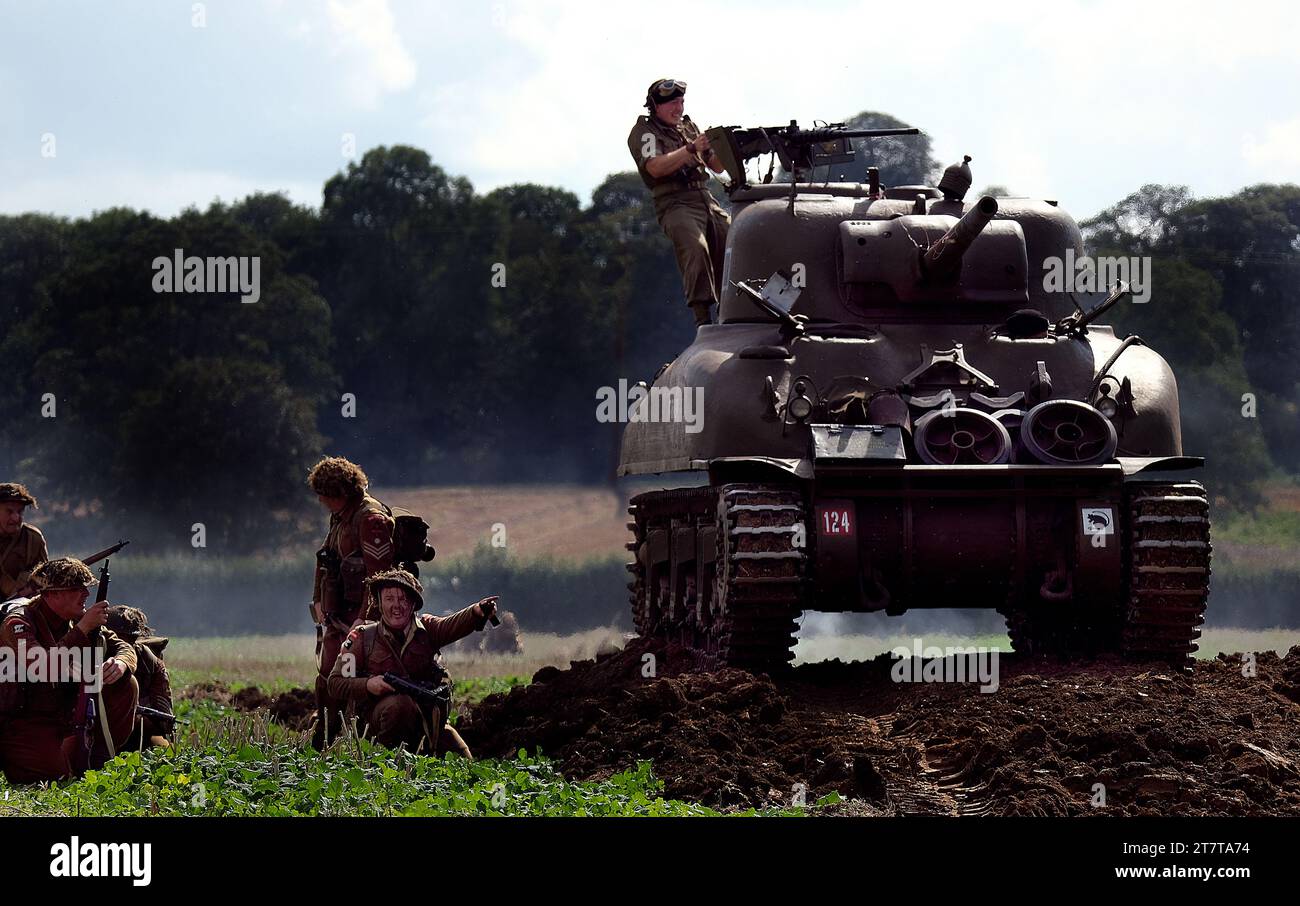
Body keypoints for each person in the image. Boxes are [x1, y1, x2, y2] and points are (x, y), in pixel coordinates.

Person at [327, 568, 496, 757]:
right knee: (400, 705)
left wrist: (476, 611)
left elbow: (451, 625)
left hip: (424, 721)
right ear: (379, 604)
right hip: (377, 726)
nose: (397, 606)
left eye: (403, 599)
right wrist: (368, 685)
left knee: (463, 762)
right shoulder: (361, 638)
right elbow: (336, 683)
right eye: (389, 598)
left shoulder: (428, 629)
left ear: (413, 603)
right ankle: (385, 763)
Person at [0, 557, 138, 783]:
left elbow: (123, 647)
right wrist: (82, 630)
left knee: (126, 683)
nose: (85, 594)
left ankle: (99, 757)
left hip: (59, 716)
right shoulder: (19, 623)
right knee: (56, 778)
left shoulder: (77, 620)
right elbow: (41, 667)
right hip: (20, 721)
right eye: (76, 589)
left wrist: (121, 663)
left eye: (86, 588)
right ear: (52, 594)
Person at [627, 78, 731, 328]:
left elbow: (716, 166)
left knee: (736, 243)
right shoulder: (645, 132)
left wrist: (725, 146)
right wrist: (691, 149)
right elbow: (655, 167)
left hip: (705, 197)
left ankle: (734, 311)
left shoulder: (688, 127)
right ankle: (703, 318)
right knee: (695, 248)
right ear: (656, 106)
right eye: (673, 102)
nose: (679, 108)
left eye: (681, 101)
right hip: (674, 202)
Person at [307, 456, 395, 748]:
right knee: (328, 675)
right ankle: (326, 735)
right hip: (338, 615)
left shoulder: (370, 519)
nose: (320, 500)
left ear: (339, 492)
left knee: (342, 675)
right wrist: (318, 601)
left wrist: (363, 620)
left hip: (359, 619)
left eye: (324, 495)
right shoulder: (341, 515)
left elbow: (378, 577)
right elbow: (325, 560)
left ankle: (343, 738)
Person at [105, 605, 173, 749]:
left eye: (130, 639)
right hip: (95, 734)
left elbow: (165, 721)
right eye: (117, 638)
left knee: (164, 749)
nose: (124, 644)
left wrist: (136, 717)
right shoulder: (90, 653)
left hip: (137, 737)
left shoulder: (151, 665)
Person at [0, 483, 49, 600]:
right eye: (9, 512)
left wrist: (32, 586)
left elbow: (45, 577)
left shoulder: (33, 538)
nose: (16, 518)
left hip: (19, 608)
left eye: (20, 512)